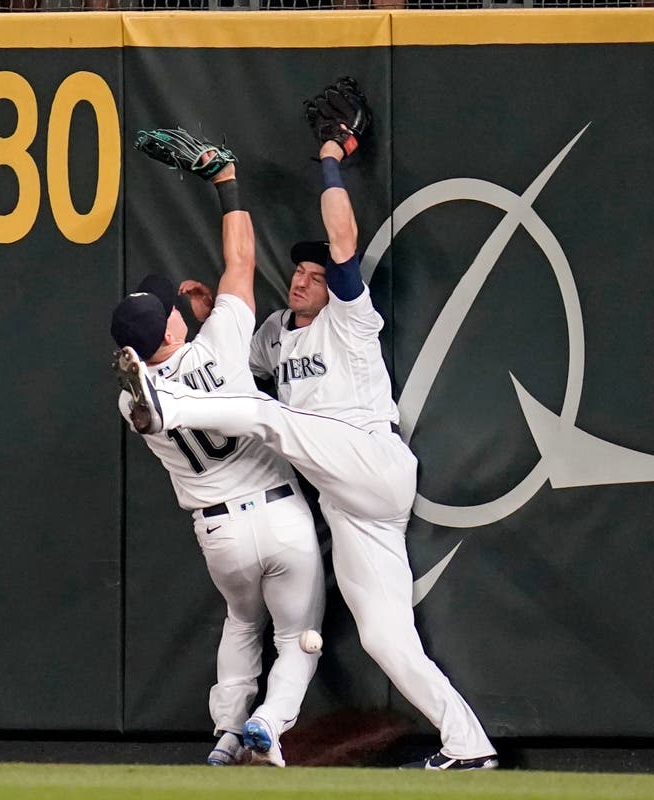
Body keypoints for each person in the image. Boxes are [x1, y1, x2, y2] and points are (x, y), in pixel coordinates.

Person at [115, 79, 498, 771]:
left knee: (268, 418)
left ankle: (161, 409)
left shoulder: (351, 320)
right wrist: (200, 319)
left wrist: (331, 157)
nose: (302, 278)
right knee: (386, 637)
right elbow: (227, 368)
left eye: (316, 274)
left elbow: (344, 239)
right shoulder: (272, 335)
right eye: (299, 271)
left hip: (371, 459)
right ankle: (469, 745)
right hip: (352, 509)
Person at [110, 129, 325, 768]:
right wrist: (226, 181)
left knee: (241, 623)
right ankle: (268, 726)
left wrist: (158, 365)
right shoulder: (224, 337)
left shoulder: (131, 396)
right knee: (298, 638)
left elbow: (167, 349)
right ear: (171, 325)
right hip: (281, 512)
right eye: (168, 307)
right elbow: (239, 260)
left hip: (218, 532)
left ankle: (227, 737)